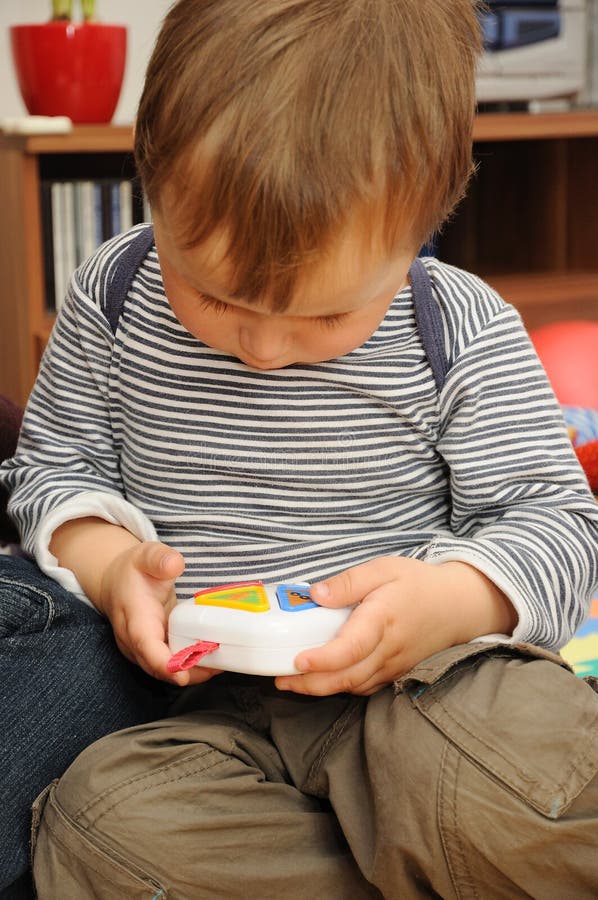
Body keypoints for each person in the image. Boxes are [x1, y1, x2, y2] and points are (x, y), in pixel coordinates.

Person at [2, 0, 598, 896]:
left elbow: (555, 521)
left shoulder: (456, 325)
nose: (264, 348)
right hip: (213, 711)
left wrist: (452, 601)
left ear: (420, 230)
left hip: (423, 685)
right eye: (213, 295)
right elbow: (53, 468)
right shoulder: (115, 295)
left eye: (326, 315)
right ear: (150, 178)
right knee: (97, 826)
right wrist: (108, 561)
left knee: (493, 787)